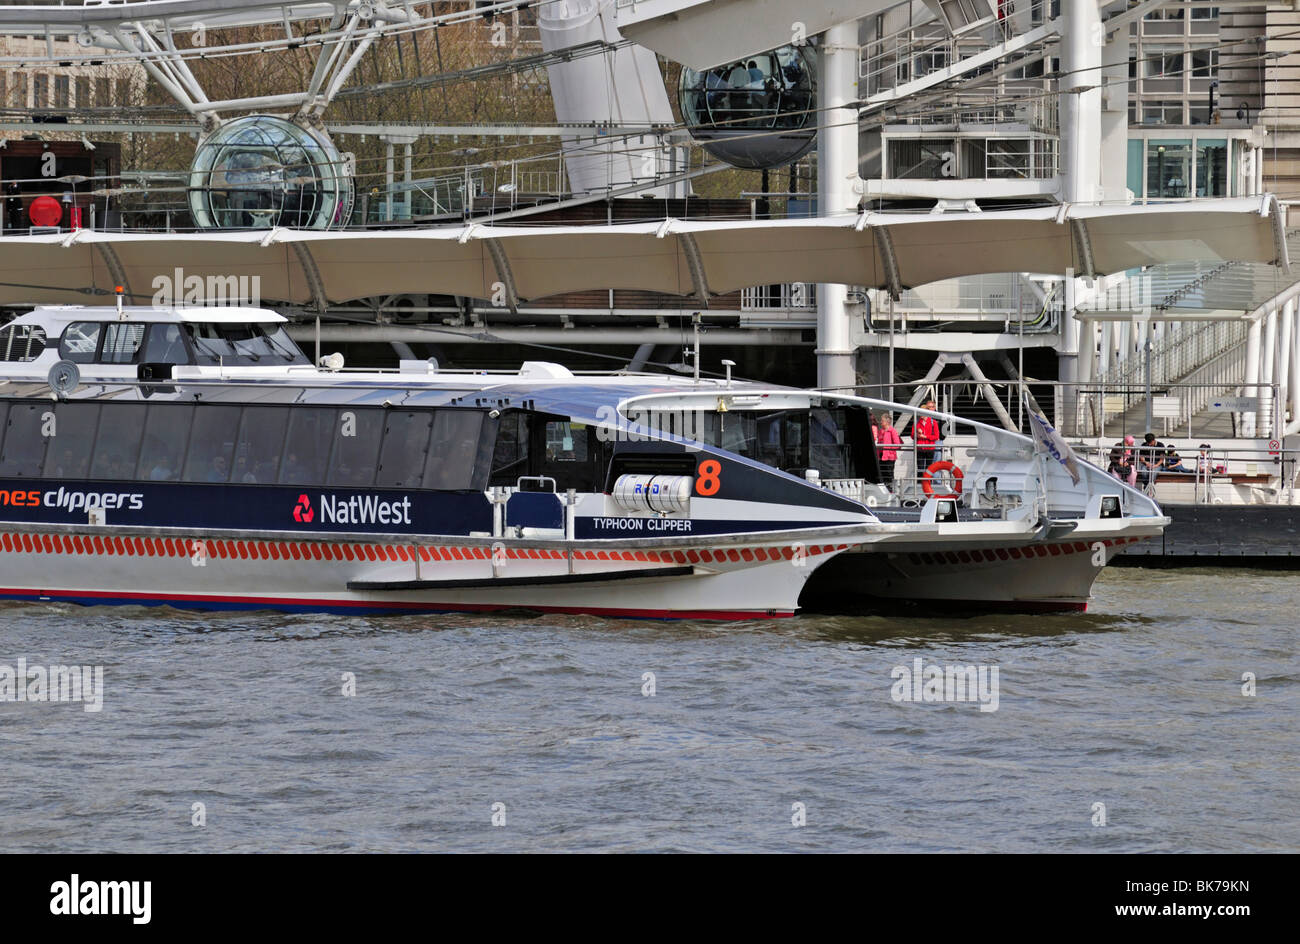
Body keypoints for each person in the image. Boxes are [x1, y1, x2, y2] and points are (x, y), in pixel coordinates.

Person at [913, 398, 942, 473]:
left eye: (921, 412)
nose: (920, 414)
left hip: (929, 448)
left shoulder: (934, 422)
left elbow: (936, 436)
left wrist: (925, 437)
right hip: (920, 448)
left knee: (929, 469)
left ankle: (928, 484)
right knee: (920, 469)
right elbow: (912, 435)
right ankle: (920, 484)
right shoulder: (917, 422)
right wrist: (917, 434)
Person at [876, 414, 902, 485]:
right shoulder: (881, 431)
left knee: (889, 473)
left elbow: (897, 444)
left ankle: (891, 488)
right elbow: (879, 442)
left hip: (890, 456)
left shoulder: (892, 431)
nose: (880, 422)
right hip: (882, 455)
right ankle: (885, 488)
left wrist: (888, 448)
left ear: (887, 422)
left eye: (882, 420)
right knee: (882, 473)